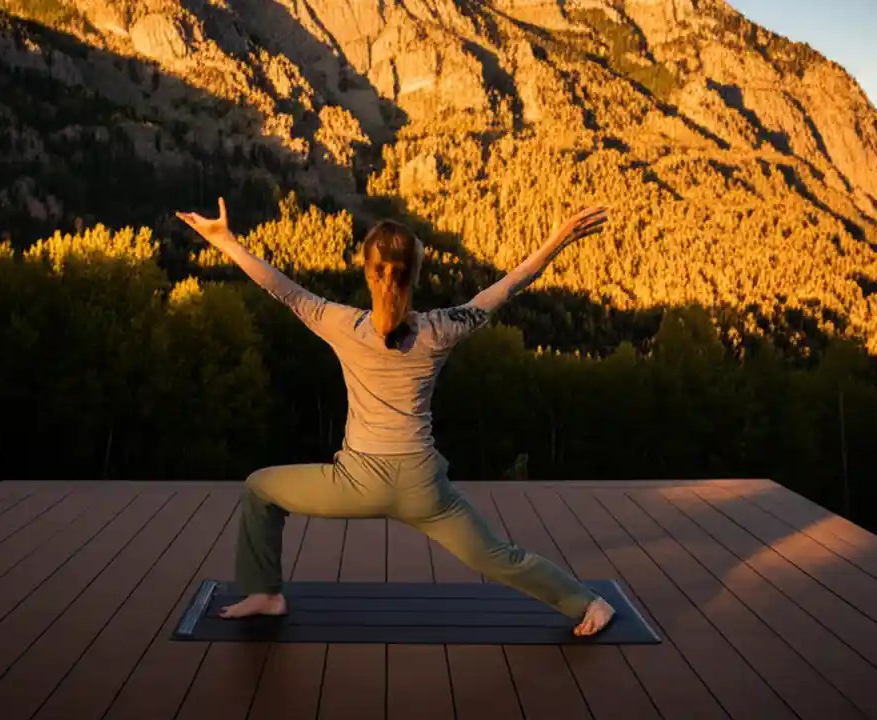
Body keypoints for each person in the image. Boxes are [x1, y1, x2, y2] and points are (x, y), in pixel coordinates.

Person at [175, 198, 616, 636]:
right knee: (499, 556)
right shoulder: (442, 328)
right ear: (416, 274)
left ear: (369, 272)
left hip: (356, 486)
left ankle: (264, 593)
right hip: (424, 489)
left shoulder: (340, 324)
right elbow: (506, 287)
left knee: (260, 488)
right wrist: (556, 241)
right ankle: (586, 603)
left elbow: (282, 288)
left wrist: (225, 241)